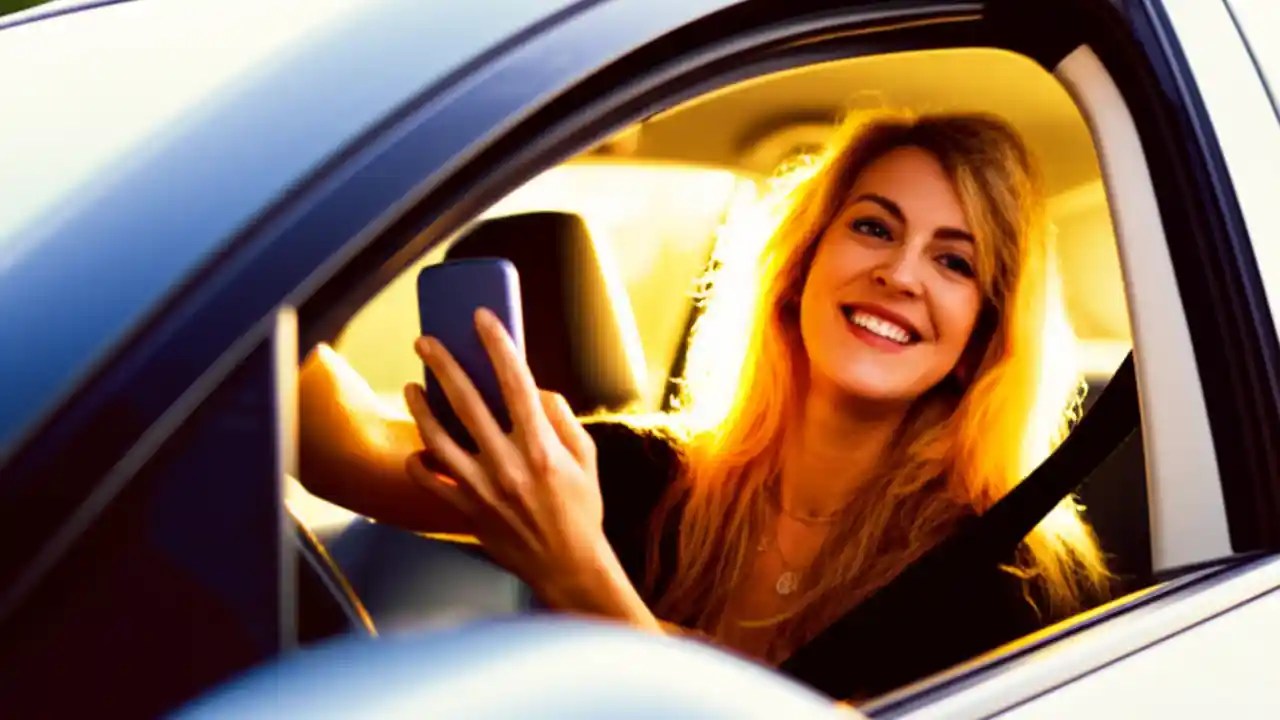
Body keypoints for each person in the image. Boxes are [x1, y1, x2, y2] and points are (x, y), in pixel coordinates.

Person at [297, 110, 1111, 699]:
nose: (899, 274)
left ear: (982, 335)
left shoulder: (1005, 578)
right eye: (872, 227)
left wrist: (579, 573)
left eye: (955, 263)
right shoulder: (649, 475)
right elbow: (342, 444)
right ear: (800, 269)